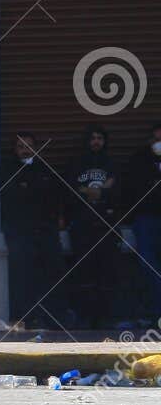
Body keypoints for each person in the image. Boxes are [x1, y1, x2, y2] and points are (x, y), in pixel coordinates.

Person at [0, 131, 63, 327]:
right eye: (20, 147)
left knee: (51, 272)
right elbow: (14, 194)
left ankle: (51, 316)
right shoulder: (8, 169)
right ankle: (24, 316)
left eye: (28, 146)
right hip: (19, 230)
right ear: (14, 150)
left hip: (45, 229)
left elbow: (54, 196)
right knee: (22, 274)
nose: (25, 150)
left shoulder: (45, 169)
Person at [65, 125, 120, 329]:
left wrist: (93, 192)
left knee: (106, 271)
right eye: (92, 138)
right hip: (82, 225)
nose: (96, 141)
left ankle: (106, 317)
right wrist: (100, 191)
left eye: (99, 138)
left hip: (107, 224)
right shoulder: (75, 164)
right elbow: (69, 189)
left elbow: (119, 191)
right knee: (83, 271)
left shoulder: (112, 164)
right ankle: (85, 316)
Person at [124, 123, 161, 323]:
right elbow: (134, 189)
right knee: (148, 265)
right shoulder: (140, 160)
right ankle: (154, 312)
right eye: (156, 140)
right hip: (146, 219)